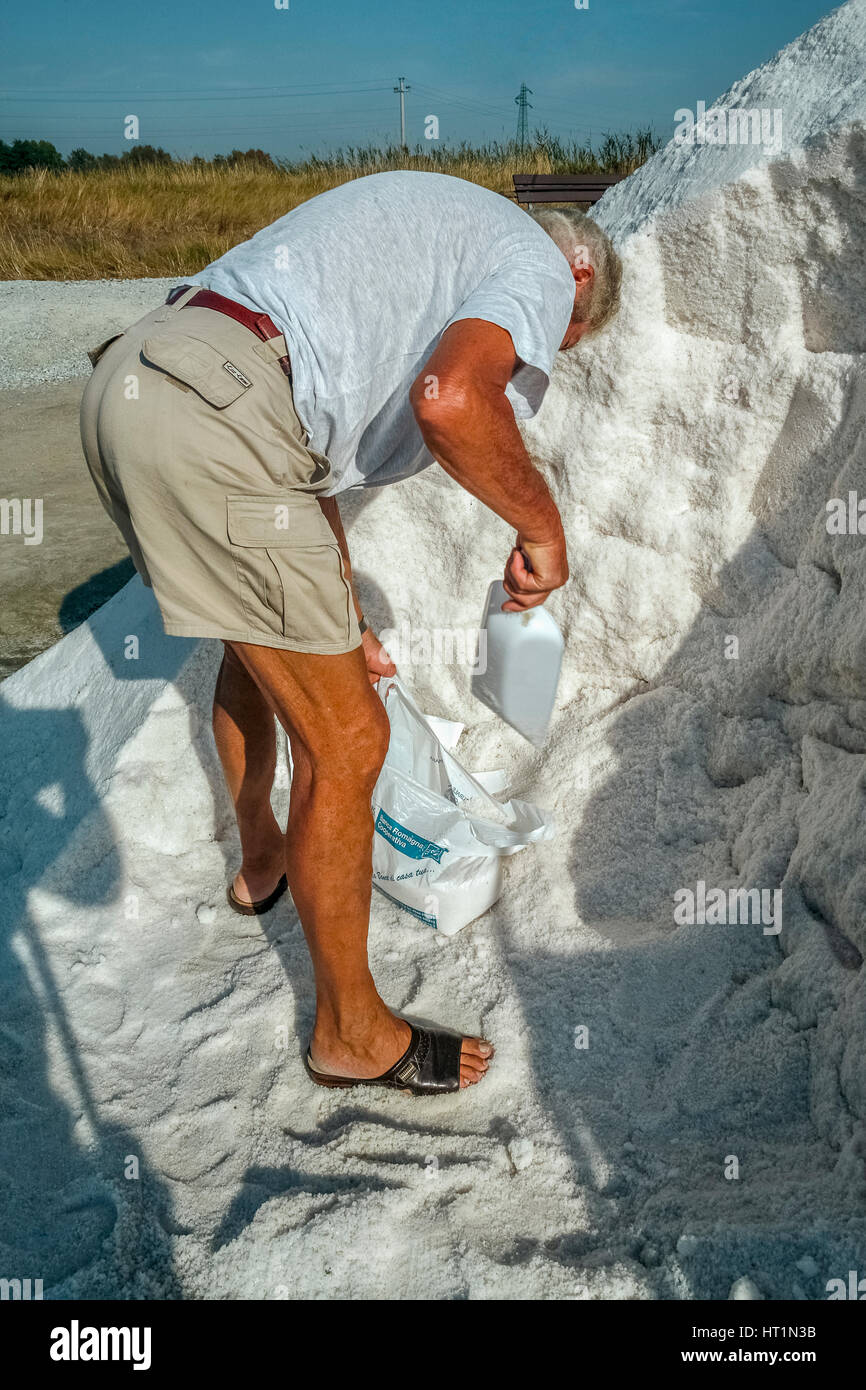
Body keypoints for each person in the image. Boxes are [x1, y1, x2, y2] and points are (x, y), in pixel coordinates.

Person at [80, 170, 622, 1097]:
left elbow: (302, 462)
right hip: (219, 412)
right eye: (556, 345)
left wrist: (344, 616)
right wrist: (542, 529)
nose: (533, 359)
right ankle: (350, 1034)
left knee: (251, 657)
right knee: (348, 740)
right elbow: (451, 398)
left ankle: (261, 863)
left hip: (140, 381)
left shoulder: (437, 235)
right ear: (578, 280)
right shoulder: (537, 262)